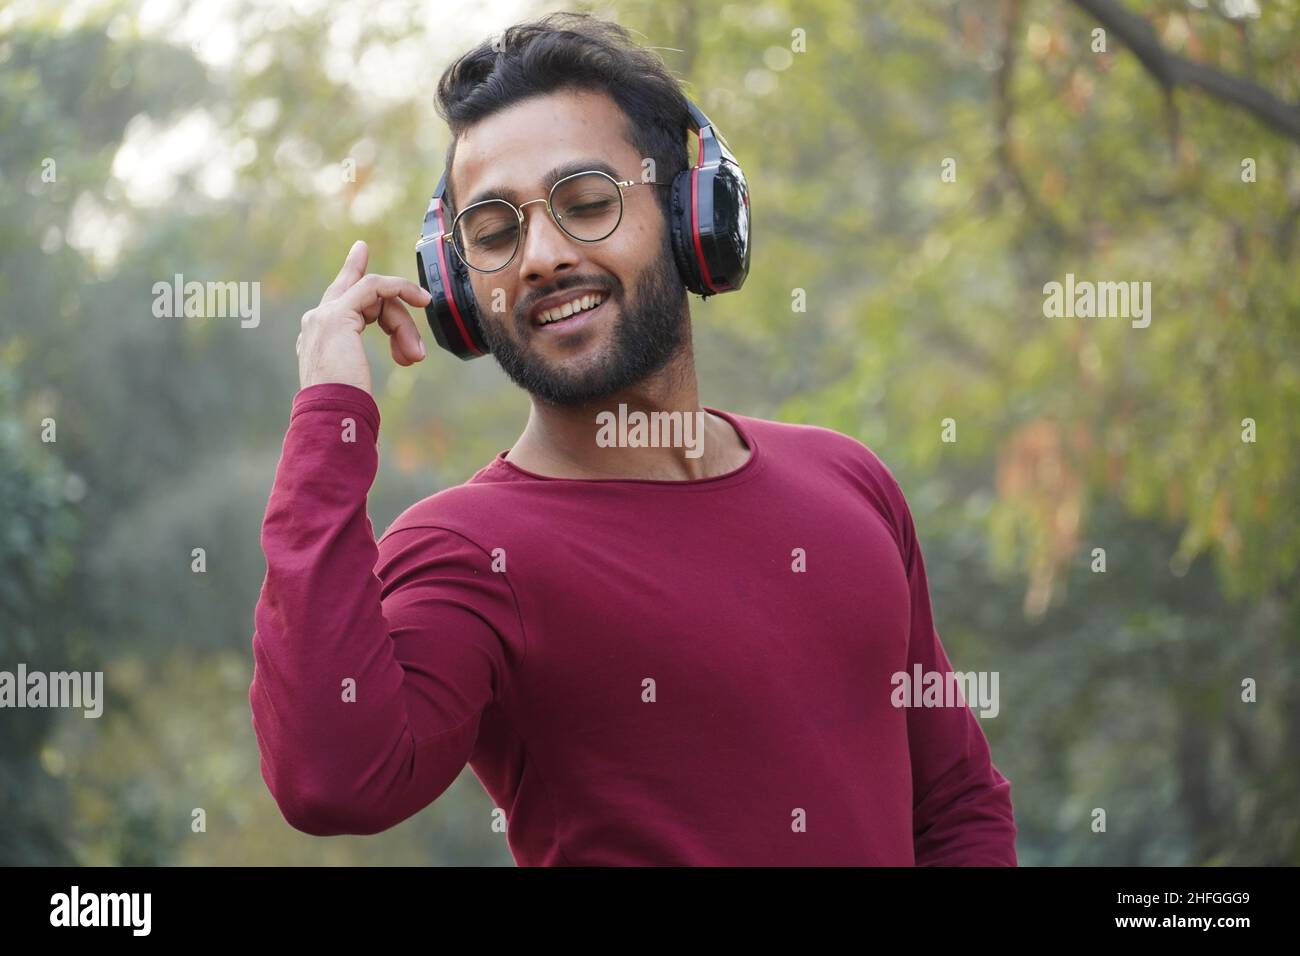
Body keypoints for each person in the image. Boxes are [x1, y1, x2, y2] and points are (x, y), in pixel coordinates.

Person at [250, 11, 1017, 866]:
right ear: (462, 287)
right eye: (496, 233)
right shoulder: (466, 550)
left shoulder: (849, 480)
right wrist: (329, 415)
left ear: (693, 213)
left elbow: (956, 806)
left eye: (586, 204)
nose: (539, 257)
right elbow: (330, 777)